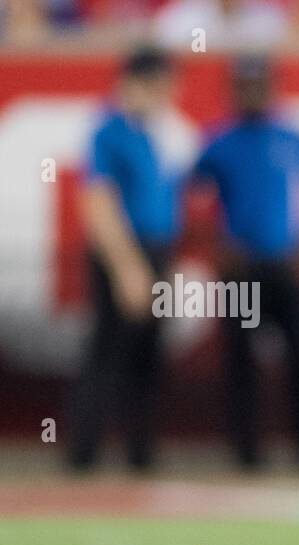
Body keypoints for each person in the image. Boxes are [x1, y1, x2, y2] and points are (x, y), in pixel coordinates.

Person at [192, 55, 299, 469]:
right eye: (244, 86)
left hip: (287, 265)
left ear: (271, 88)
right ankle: (247, 456)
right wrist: (216, 247)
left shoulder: (293, 137)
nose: (251, 93)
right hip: (242, 271)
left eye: (258, 85)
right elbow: (193, 196)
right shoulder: (219, 140)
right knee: (240, 366)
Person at [68, 46, 185, 472]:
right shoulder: (109, 131)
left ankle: (140, 455)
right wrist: (127, 268)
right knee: (108, 353)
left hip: (154, 252)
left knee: (146, 358)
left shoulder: (151, 133)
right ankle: (83, 456)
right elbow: (98, 201)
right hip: (125, 254)